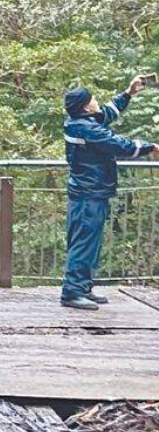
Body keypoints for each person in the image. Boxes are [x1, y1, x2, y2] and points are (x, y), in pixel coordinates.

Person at [60, 79, 157, 310]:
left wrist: (128, 93)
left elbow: (107, 114)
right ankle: (72, 292)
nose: (97, 102)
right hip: (88, 194)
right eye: (93, 99)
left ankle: (82, 287)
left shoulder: (80, 122)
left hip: (90, 192)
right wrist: (150, 147)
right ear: (85, 107)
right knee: (84, 242)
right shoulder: (85, 128)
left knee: (89, 242)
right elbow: (119, 144)